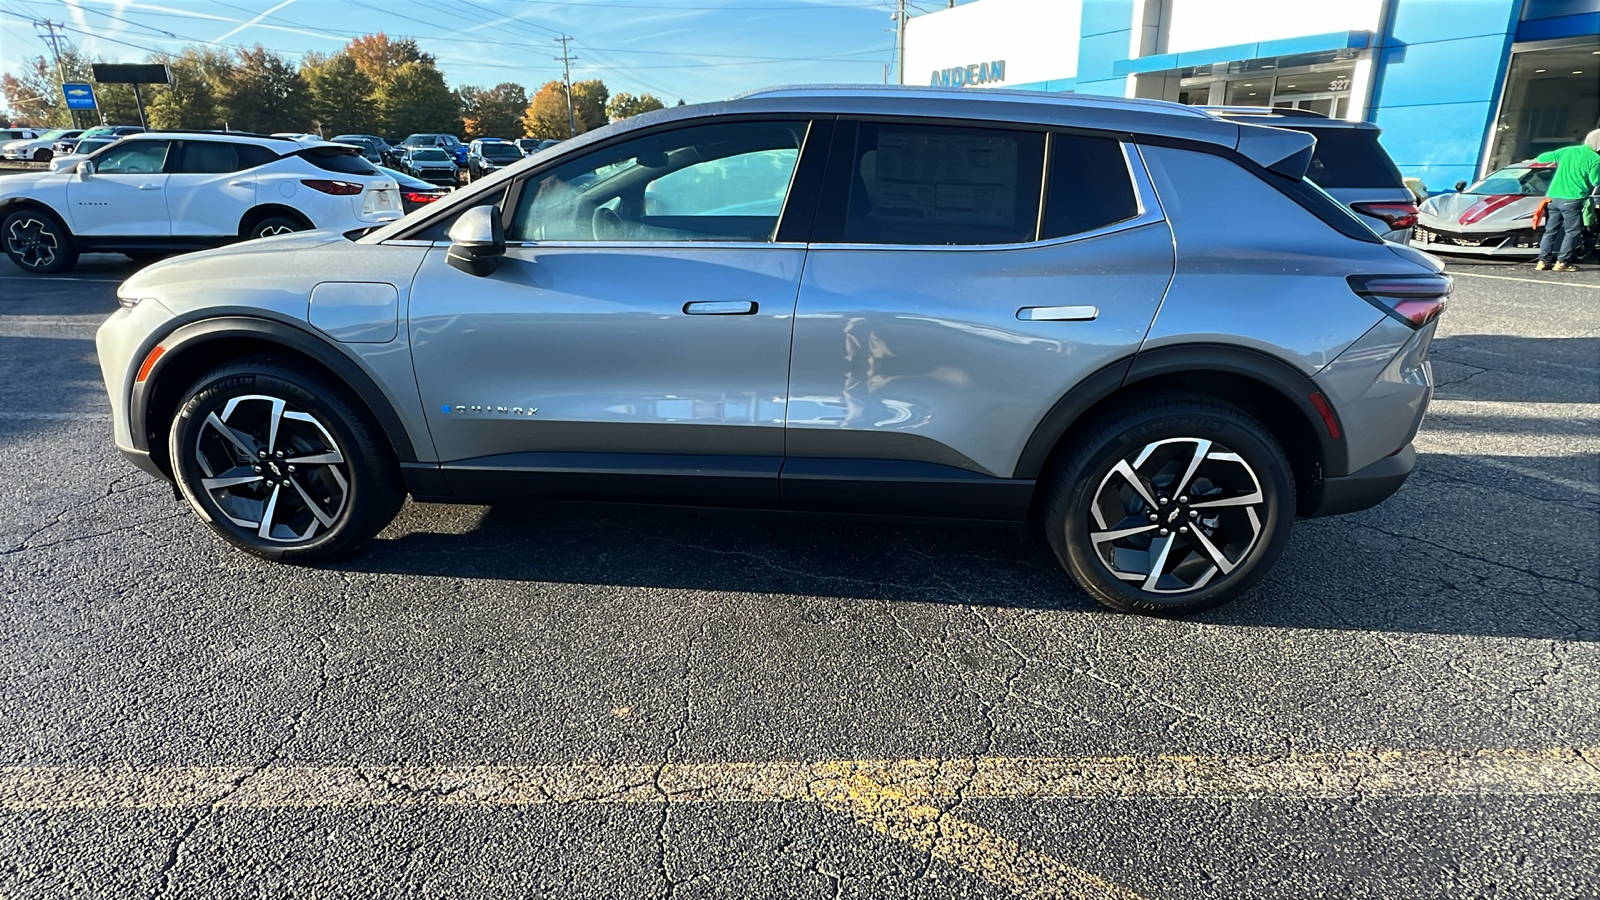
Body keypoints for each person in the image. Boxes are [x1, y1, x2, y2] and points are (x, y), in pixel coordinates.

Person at [1534, 129, 1600, 272]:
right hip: (1573, 199)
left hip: (1553, 198)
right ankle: (1562, 262)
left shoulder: (1567, 151)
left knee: (1550, 231)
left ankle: (1542, 261)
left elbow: (1541, 158)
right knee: (1572, 232)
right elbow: (1595, 181)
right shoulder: (1595, 159)